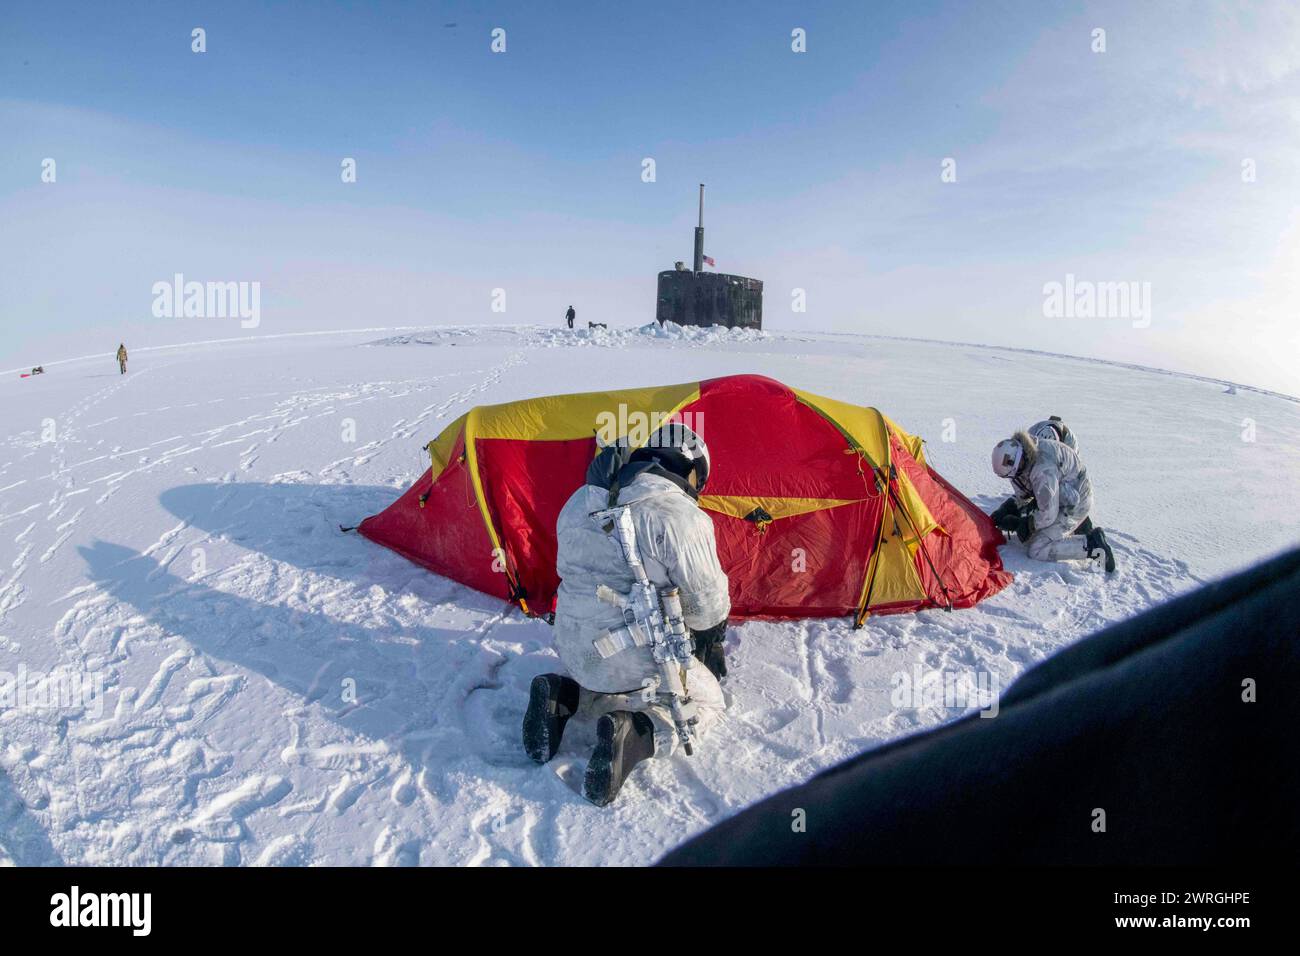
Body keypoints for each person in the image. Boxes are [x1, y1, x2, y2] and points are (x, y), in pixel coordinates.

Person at [524, 423, 731, 806]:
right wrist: (709, 638)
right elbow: (705, 609)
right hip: (634, 657)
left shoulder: (580, 500)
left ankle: (561, 693)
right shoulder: (679, 515)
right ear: (690, 470)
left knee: (606, 677)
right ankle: (636, 734)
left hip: (573, 646)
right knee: (708, 702)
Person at [989, 429, 1116, 572]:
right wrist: (1009, 507)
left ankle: (1092, 545)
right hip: (1063, 491)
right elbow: (1025, 489)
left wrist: (1025, 524)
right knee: (1038, 527)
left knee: (1037, 549)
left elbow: (1048, 514)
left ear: (1019, 462)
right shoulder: (1023, 452)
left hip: (1075, 502)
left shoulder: (1043, 470)